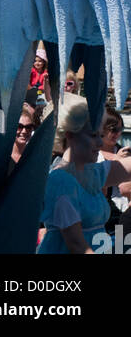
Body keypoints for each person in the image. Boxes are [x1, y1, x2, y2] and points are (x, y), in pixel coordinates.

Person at [38, 96, 131, 254]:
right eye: (93, 135)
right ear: (70, 136)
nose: (100, 143)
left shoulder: (93, 172)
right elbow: (77, 245)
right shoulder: (60, 180)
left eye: (100, 135)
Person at [10, 103, 41, 168]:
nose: (24, 131)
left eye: (28, 127)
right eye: (19, 126)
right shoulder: (2, 156)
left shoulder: (34, 156)